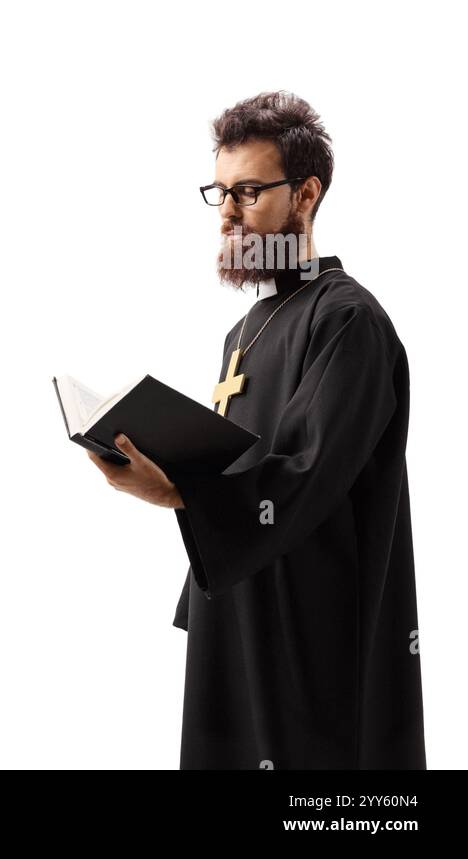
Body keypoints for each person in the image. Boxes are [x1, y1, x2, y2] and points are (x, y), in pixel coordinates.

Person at [86, 91, 425, 769]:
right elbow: (236, 463)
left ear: (304, 195)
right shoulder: (242, 332)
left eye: (248, 192)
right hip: (235, 613)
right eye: (220, 193)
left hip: (309, 632)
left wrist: (178, 495)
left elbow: (306, 472)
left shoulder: (347, 320)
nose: (229, 216)